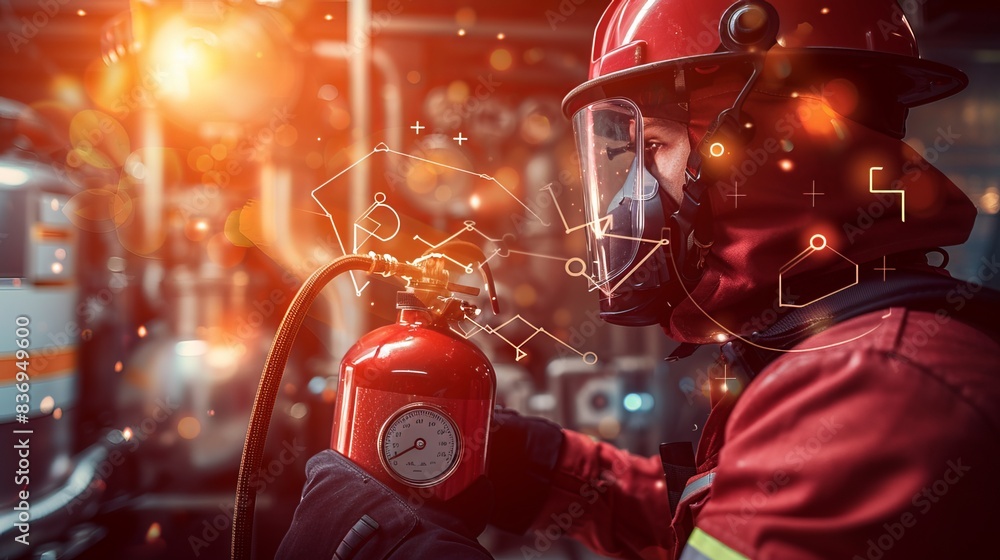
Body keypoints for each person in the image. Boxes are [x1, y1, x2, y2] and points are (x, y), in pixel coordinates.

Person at [276, 1, 1000, 559]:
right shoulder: (834, 348)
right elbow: (717, 522)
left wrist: (403, 553)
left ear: (774, 141)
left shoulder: (875, 389)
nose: (630, 198)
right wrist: (538, 467)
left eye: (654, 147)